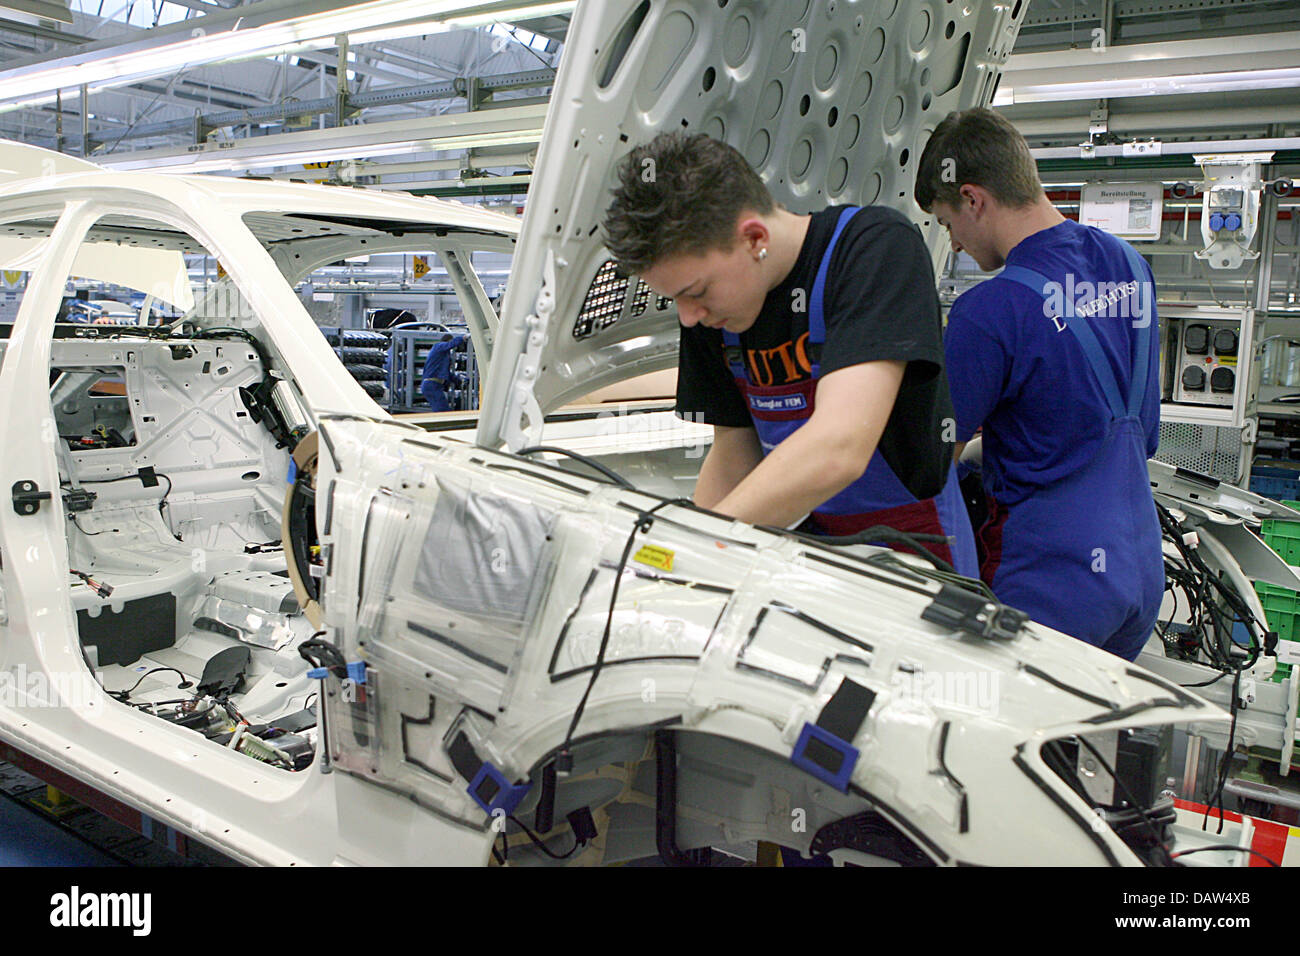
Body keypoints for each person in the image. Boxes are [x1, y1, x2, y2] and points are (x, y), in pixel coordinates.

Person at [602, 132, 977, 575]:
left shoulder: (872, 249)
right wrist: (673, 569)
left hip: (916, 551)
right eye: (676, 299)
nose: (688, 316)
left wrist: (700, 544)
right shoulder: (711, 315)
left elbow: (840, 447)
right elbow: (733, 451)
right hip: (805, 546)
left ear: (754, 237)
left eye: (696, 292)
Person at [914, 107, 1162, 661]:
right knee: (1069, 745)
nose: (952, 244)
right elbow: (1107, 418)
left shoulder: (988, 311)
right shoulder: (1128, 263)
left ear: (974, 199)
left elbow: (929, 466)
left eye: (948, 224)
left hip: (1054, 583)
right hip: (1140, 568)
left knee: (991, 739)